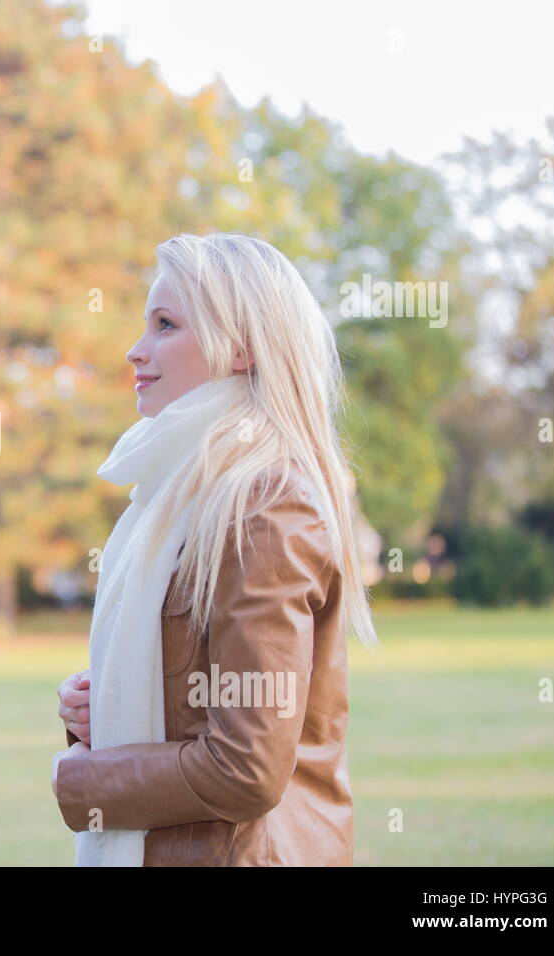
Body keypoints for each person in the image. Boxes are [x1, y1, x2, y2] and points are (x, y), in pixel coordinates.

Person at [51, 232, 379, 866]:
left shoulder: (263, 503)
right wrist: (105, 710)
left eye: (165, 325)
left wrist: (83, 780)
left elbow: (246, 768)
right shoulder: (181, 495)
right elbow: (201, 710)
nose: (135, 351)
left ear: (244, 347)